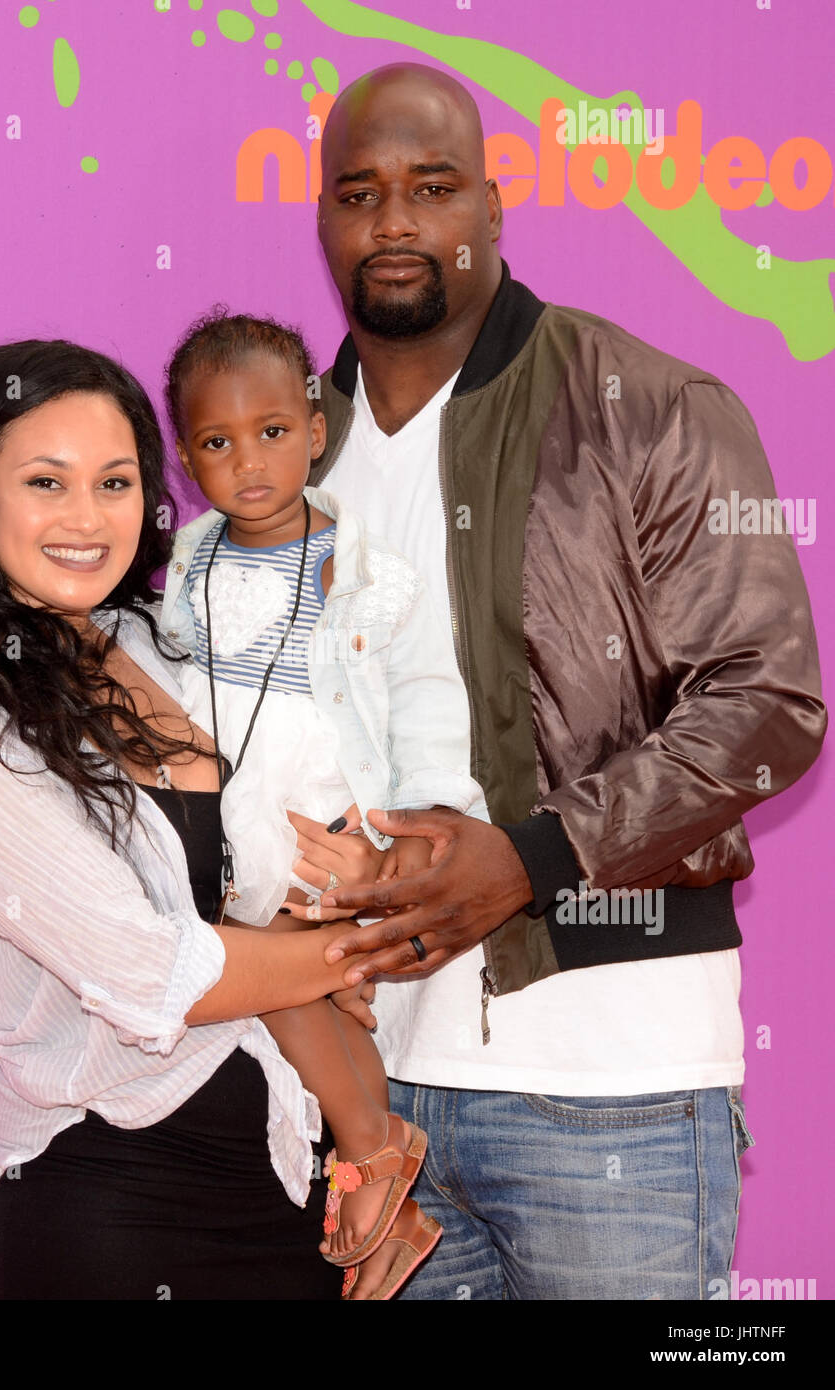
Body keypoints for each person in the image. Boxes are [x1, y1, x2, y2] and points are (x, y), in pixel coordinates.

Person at [295, 62, 826, 1299]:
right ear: (321, 218)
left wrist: (538, 857)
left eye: (433, 186)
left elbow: (767, 701)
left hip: (612, 1086)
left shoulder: (647, 405)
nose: (394, 221)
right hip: (371, 1108)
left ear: (492, 206)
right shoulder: (282, 454)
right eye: (359, 193)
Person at [0, 338, 399, 1301]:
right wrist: (367, 946)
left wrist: (352, 883)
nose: (87, 519)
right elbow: (150, 971)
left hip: (289, 1188)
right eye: (45, 483)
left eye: (115, 482)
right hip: (112, 1210)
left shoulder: (164, 640)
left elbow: (270, 865)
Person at [159, 307, 489, 1297]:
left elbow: (421, 705)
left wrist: (404, 836)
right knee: (305, 992)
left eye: (270, 431)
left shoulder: (365, 566)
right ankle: (378, 1166)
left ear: (313, 429)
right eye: (216, 443)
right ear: (187, 458)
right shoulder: (186, 561)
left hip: (319, 814)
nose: (247, 461)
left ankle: (371, 1151)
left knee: (289, 979)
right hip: (226, 808)